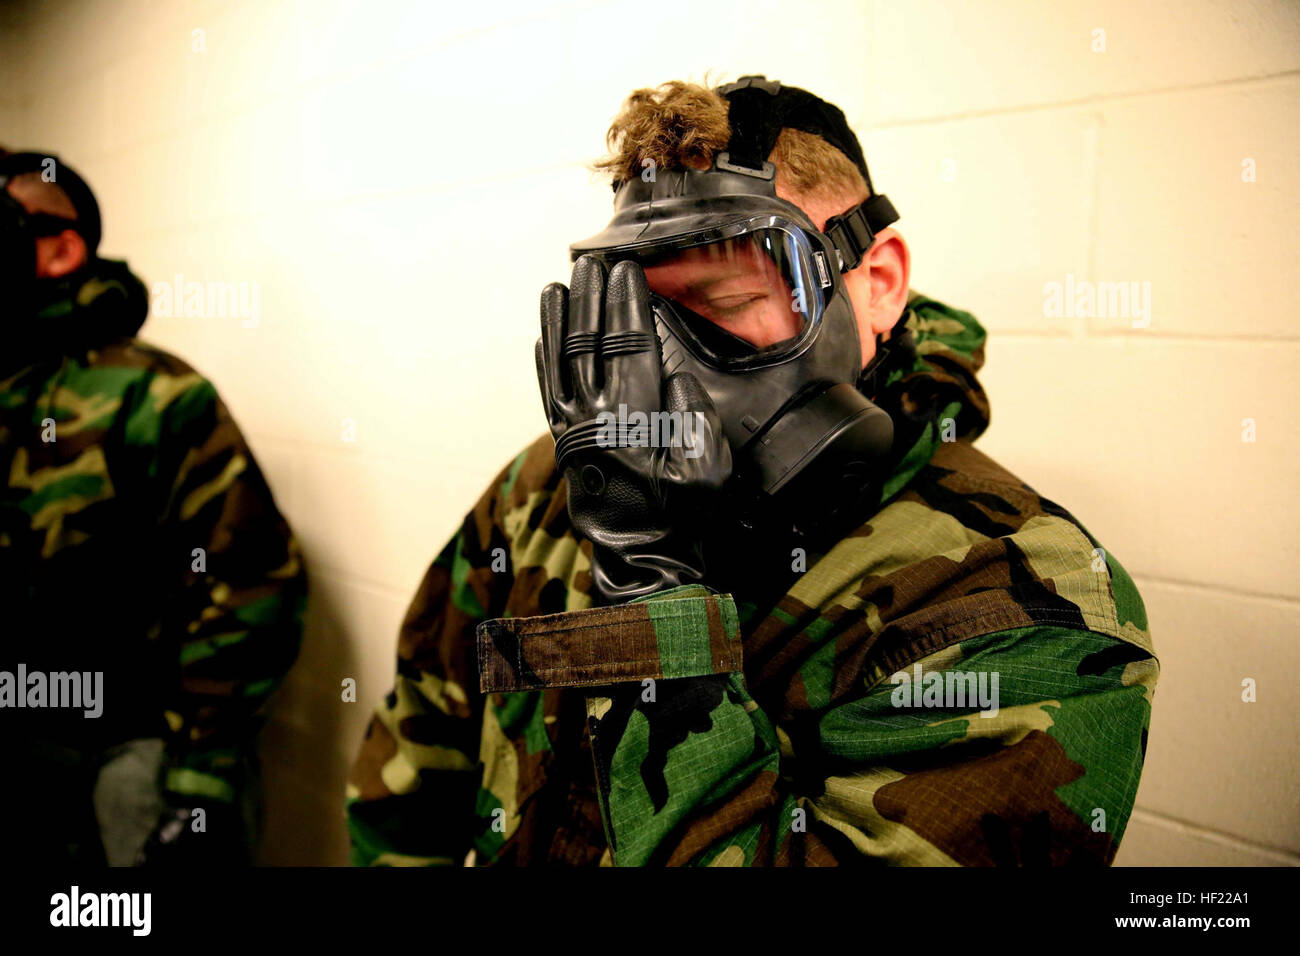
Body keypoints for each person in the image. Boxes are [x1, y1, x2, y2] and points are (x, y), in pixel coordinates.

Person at [346, 76, 1158, 866]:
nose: (672, 375)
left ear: (876, 284)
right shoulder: (553, 492)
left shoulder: (1016, 608)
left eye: (726, 303)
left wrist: (649, 596)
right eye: (644, 318)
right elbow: (413, 767)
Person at [0, 148, 305, 865]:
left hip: (127, 759)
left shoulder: (151, 397)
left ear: (61, 247)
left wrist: (200, 779)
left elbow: (254, 586)